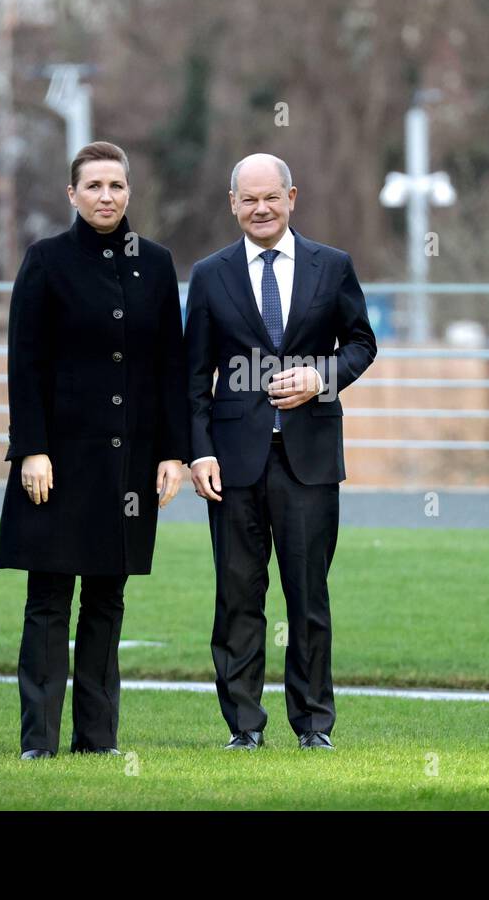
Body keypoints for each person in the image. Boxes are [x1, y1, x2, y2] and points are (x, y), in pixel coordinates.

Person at [0, 141, 189, 759]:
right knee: (49, 598)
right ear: (72, 194)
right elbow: (23, 364)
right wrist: (32, 449)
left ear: (129, 192)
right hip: (55, 463)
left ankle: (98, 741)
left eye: (117, 186)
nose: (107, 196)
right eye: (95, 186)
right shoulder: (46, 261)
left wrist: (172, 452)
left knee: (108, 598)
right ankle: (38, 742)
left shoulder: (156, 265)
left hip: (128, 468)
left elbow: (169, 367)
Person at [185, 152, 377, 751]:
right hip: (233, 462)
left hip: (310, 459)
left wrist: (321, 376)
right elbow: (192, 377)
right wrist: (198, 452)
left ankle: (314, 725)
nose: (261, 208)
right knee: (238, 598)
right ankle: (244, 727)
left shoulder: (333, 266)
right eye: (249, 199)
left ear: (292, 198)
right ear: (233, 205)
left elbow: (363, 344)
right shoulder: (211, 274)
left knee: (307, 597)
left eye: (272, 197)